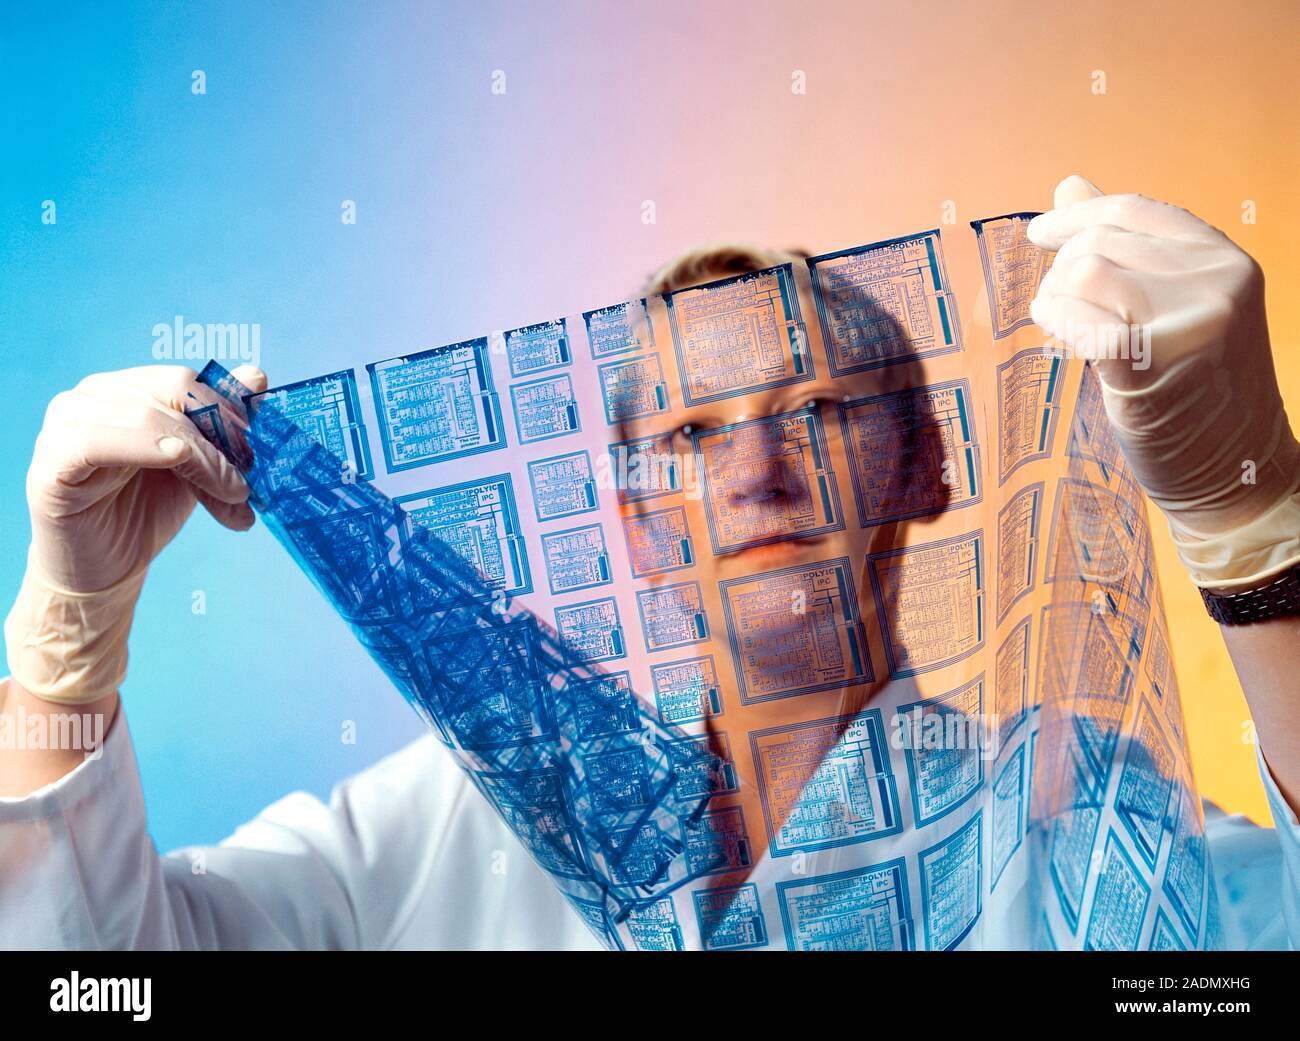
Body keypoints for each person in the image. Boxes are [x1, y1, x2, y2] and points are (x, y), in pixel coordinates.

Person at [1, 176, 1298, 950]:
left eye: (817, 406)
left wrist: (1263, 538)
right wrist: (65, 641)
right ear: (636, 530)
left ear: (925, 467)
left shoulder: (1067, 808)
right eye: (691, 434)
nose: (757, 467)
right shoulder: (457, 814)